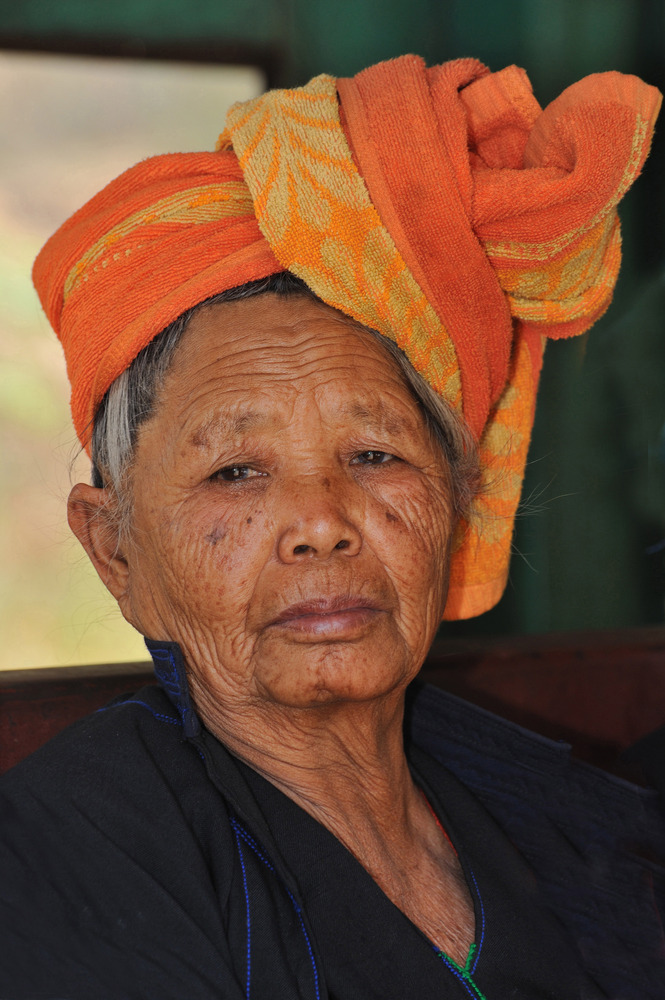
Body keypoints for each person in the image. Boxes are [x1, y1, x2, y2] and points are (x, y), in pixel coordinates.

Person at [1, 55, 663, 999]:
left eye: (375, 456)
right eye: (235, 471)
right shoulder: (71, 856)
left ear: (456, 503)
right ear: (116, 551)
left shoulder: (567, 819)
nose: (321, 525)